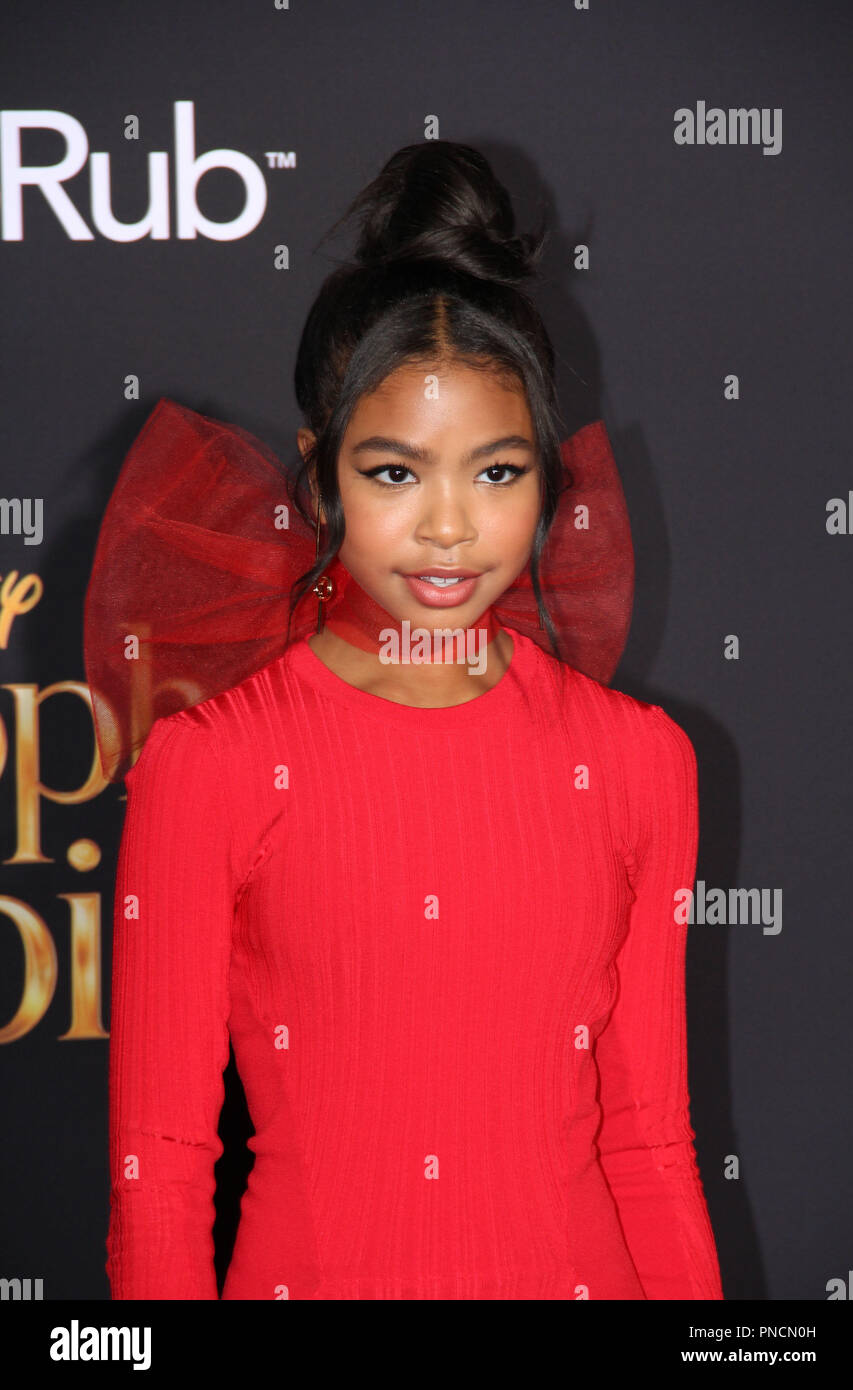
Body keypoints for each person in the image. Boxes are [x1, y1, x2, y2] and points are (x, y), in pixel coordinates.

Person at [86, 140, 724, 1300]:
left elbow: (647, 1145)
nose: (448, 527)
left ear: (546, 483)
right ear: (318, 479)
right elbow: (159, 1172)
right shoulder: (211, 764)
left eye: (494, 472)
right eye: (393, 474)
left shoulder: (638, 762)